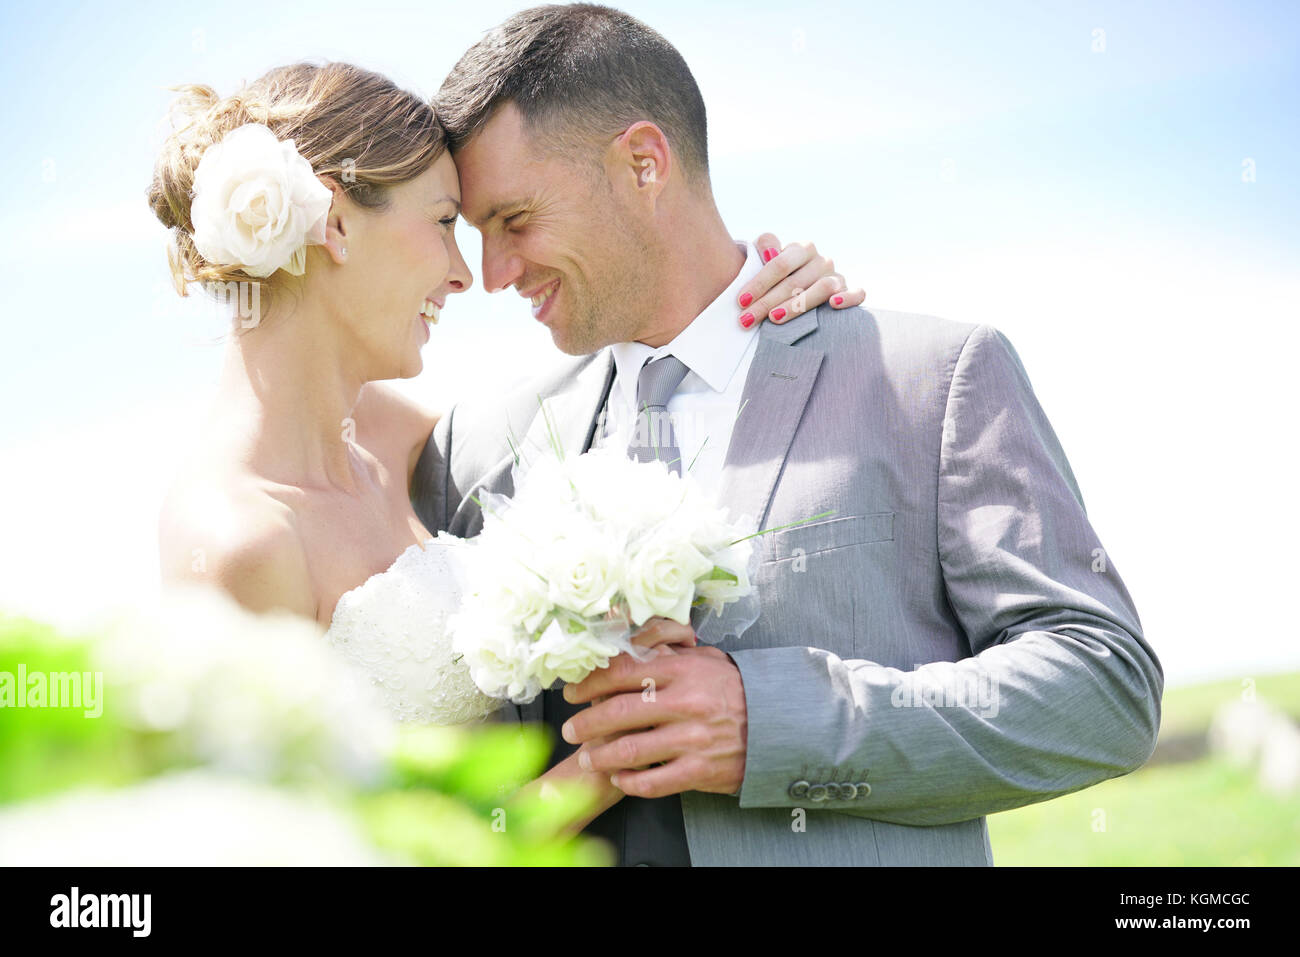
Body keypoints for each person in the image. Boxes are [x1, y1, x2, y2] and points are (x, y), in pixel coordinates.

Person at [416, 3, 1164, 866]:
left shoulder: (931, 377)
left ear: (644, 162)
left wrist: (776, 723)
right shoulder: (475, 447)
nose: (494, 273)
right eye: (475, 234)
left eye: (514, 221)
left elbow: (1104, 688)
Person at [149, 61, 859, 828]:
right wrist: (605, 763)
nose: (465, 275)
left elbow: (622, 386)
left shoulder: (399, 437)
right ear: (337, 224)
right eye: (445, 221)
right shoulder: (239, 545)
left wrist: (753, 294)